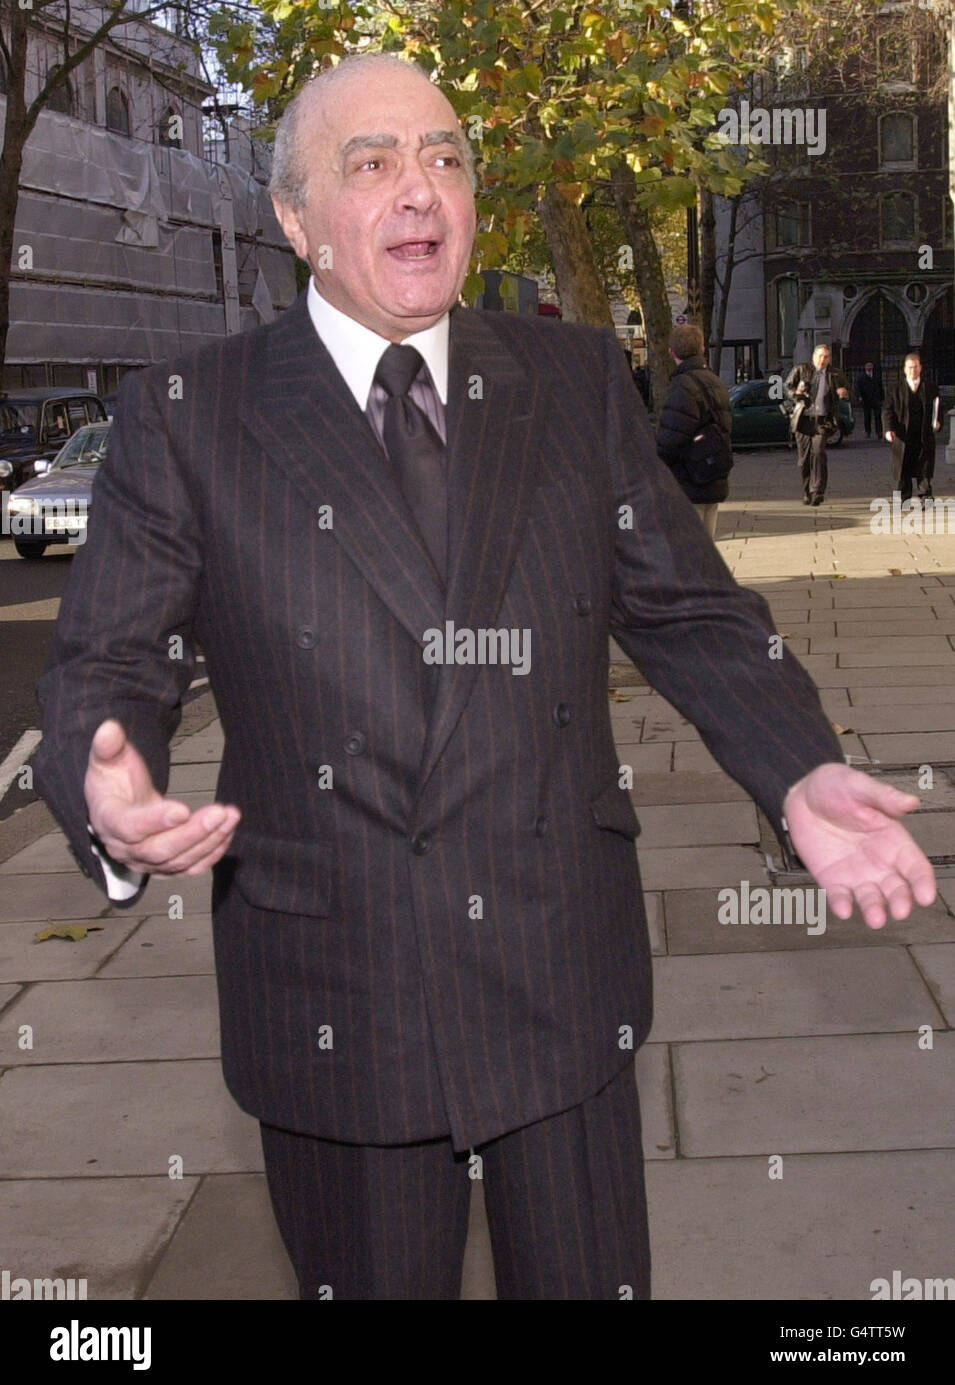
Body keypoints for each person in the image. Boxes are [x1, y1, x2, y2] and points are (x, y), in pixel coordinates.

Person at [33, 54, 935, 1302]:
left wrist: (796, 766)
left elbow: (693, 610)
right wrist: (104, 779)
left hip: (559, 976)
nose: (421, 189)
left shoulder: (567, 384)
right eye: (374, 162)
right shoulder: (193, 413)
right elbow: (108, 661)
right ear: (296, 220)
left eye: (446, 157)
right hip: (336, 997)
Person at [655, 323, 732, 539]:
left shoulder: (682, 387)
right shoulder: (716, 382)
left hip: (688, 480)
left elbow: (670, 440)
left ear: (672, 352)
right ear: (702, 349)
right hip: (713, 473)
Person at [784, 344, 849, 506]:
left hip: (823, 421)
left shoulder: (835, 374)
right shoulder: (801, 369)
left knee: (819, 453)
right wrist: (796, 394)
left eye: (826, 357)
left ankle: (818, 491)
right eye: (820, 356)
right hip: (804, 419)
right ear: (813, 356)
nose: (822, 360)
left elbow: (848, 391)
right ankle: (806, 491)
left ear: (830, 359)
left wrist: (844, 393)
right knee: (804, 460)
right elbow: (787, 387)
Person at [883, 352, 942, 502]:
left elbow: (938, 408)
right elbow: (888, 410)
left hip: (924, 435)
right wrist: (889, 429)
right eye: (909, 367)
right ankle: (903, 499)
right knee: (903, 468)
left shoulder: (930, 387)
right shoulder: (895, 389)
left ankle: (926, 497)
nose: (912, 370)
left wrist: (938, 422)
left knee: (924, 468)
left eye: (915, 367)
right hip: (903, 435)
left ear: (920, 368)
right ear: (904, 369)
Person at [855, 361, 884, 439]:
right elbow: (858, 388)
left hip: (876, 399)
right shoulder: (861, 377)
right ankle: (867, 431)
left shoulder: (877, 376)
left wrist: (882, 398)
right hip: (866, 399)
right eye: (867, 366)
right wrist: (859, 396)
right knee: (867, 417)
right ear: (865, 367)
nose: (869, 367)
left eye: (870, 366)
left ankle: (879, 432)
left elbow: (881, 387)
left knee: (878, 417)